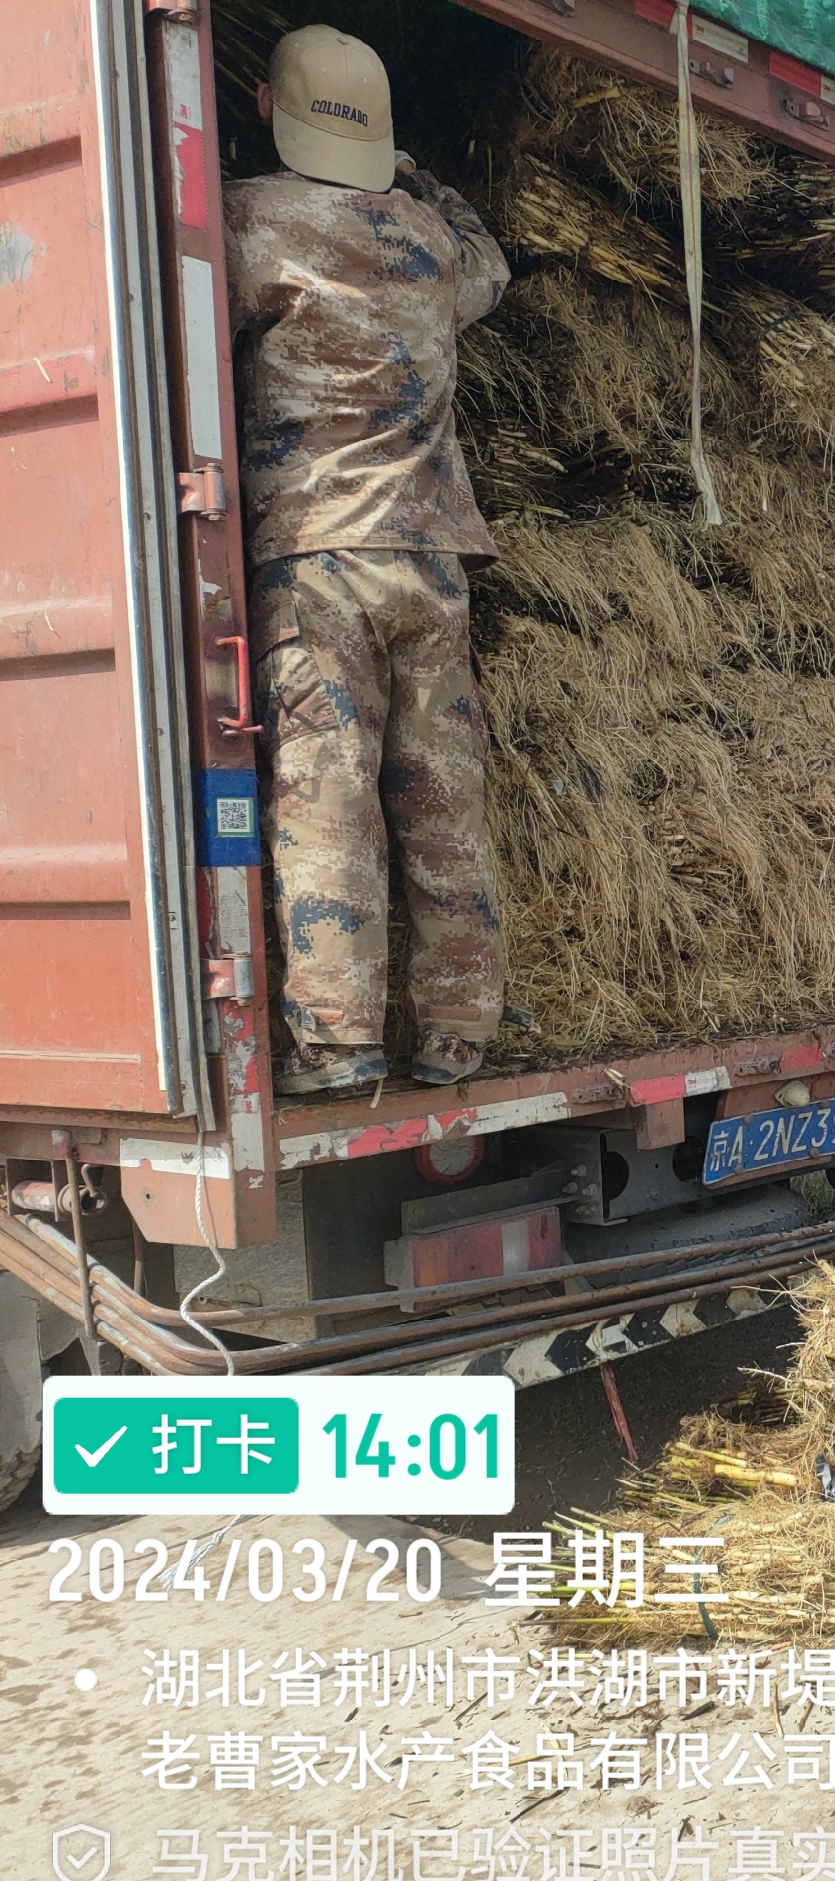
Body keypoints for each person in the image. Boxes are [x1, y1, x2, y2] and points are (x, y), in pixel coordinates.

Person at [227, 25, 512, 1094]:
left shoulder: (254, 219)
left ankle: (341, 1044)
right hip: (431, 560)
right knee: (444, 799)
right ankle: (455, 1034)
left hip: (317, 559)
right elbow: (493, 268)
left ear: (266, 105)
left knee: (327, 797)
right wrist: (420, 182)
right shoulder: (433, 244)